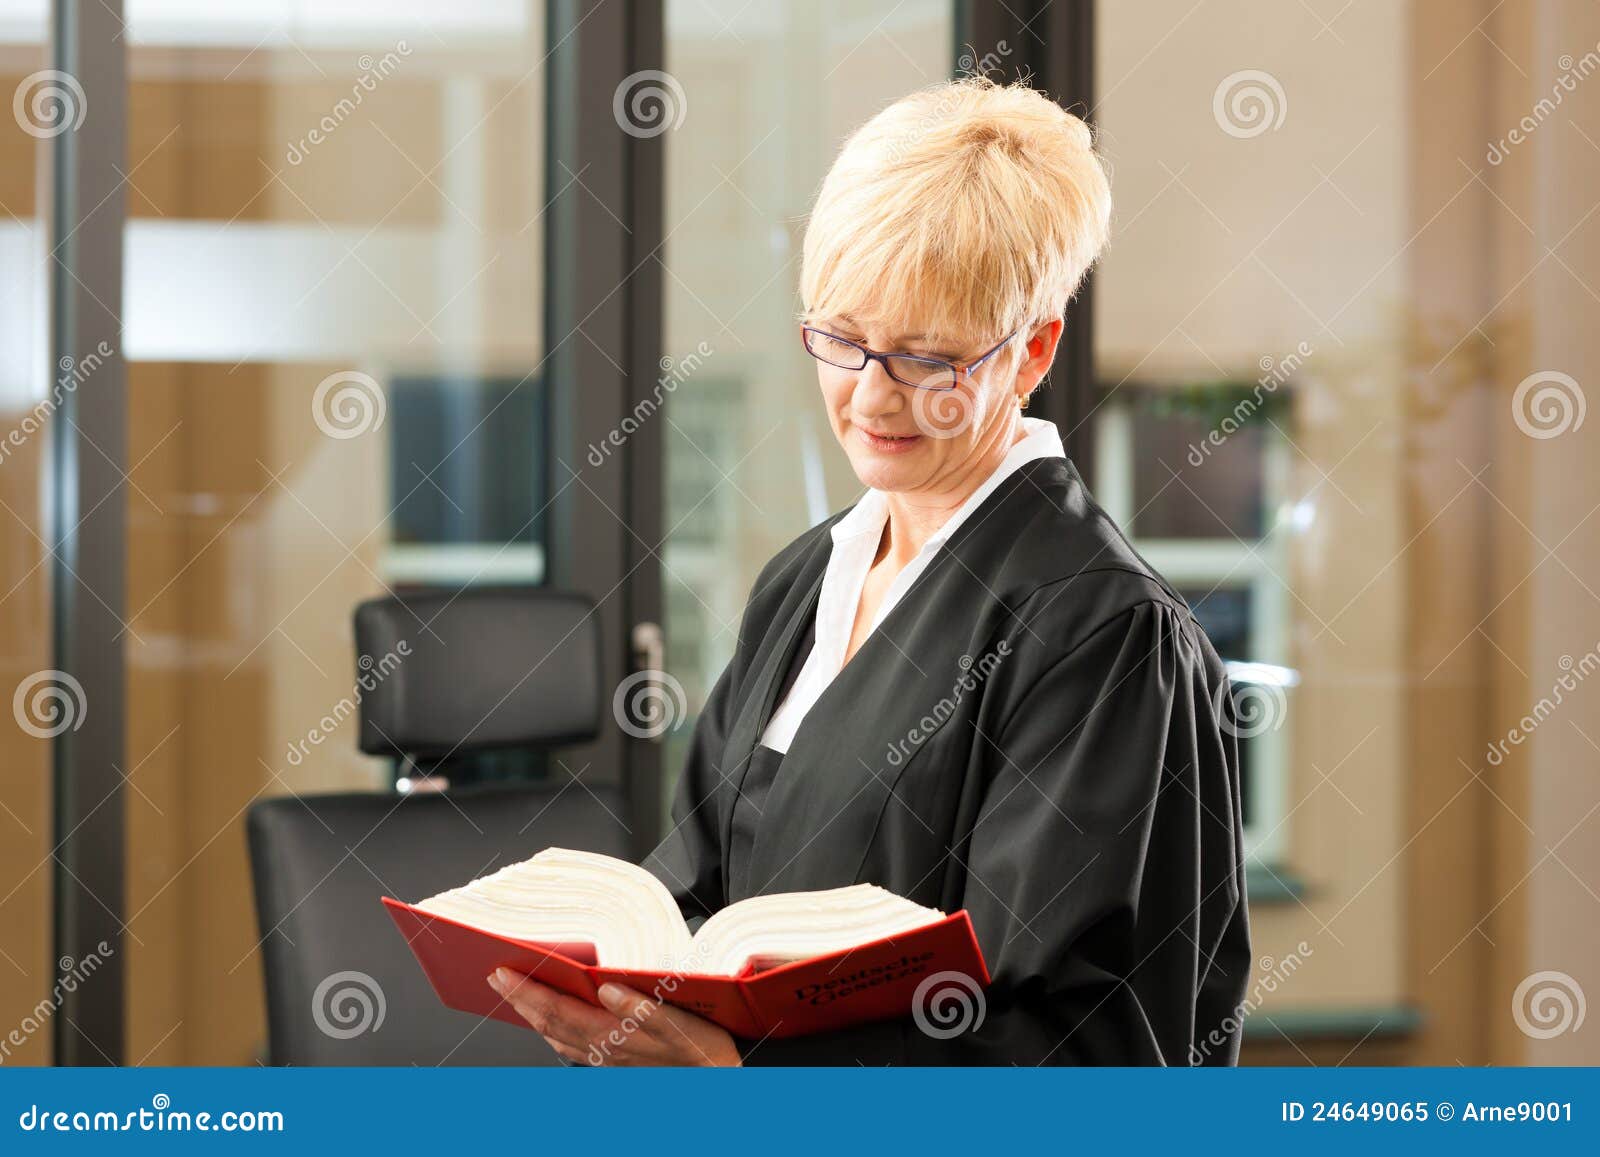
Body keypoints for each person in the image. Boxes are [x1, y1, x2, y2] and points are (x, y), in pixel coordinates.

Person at [488, 76, 1250, 1066]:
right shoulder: (805, 580)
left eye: (927, 359)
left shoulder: (1100, 633)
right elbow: (699, 890)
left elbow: (1089, 1049)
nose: (872, 398)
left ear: (1032, 352)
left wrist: (741, 1076)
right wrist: (617, 995)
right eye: (843, 339)